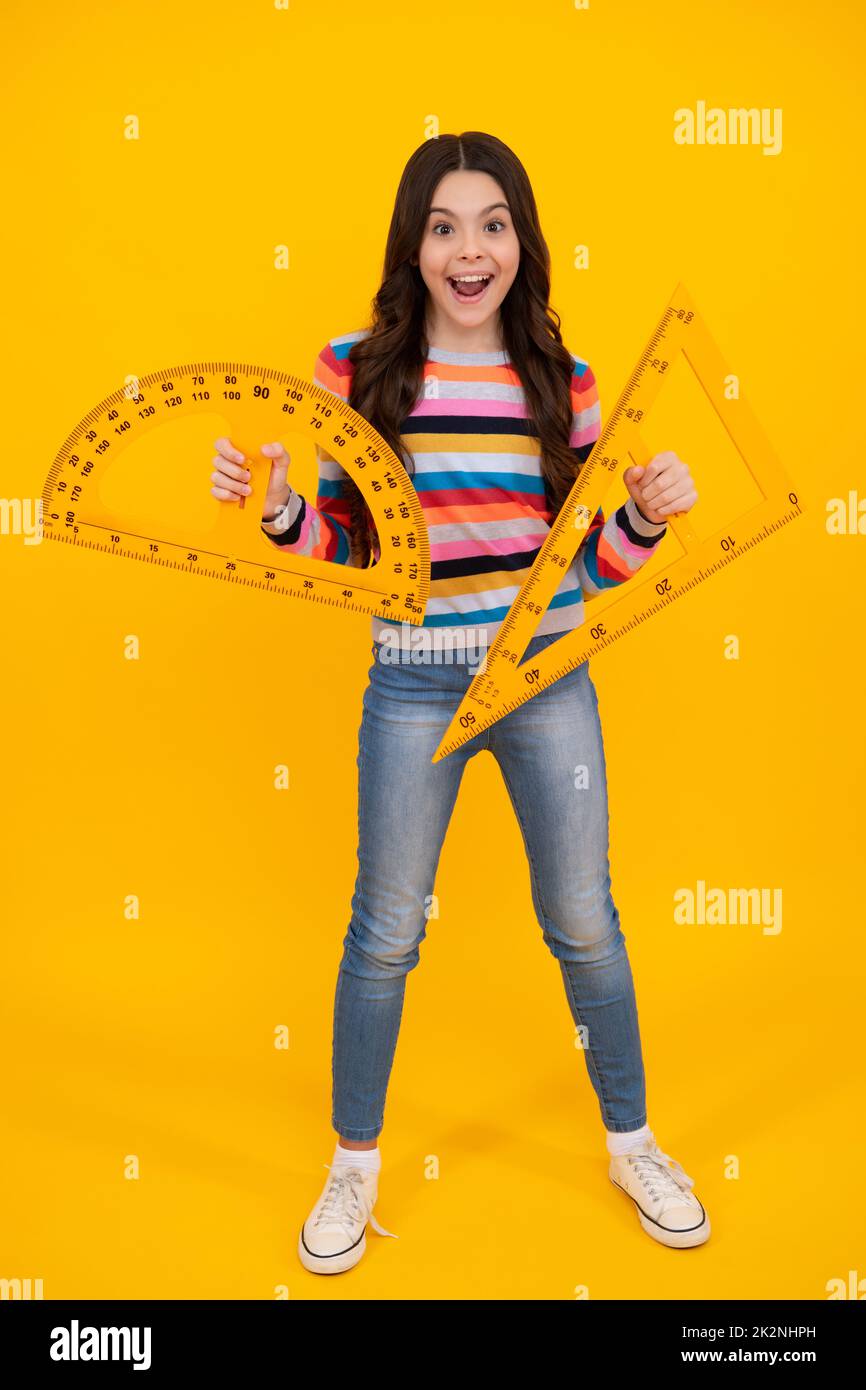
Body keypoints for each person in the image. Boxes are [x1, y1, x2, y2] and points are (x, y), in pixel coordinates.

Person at [209, 132, 706, 1276]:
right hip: (412, 678)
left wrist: (647, 516)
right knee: (384, 930)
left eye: (491, 224)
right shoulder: (354, 370)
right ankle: (355, 1163)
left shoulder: (562, 382)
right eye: (443, 226)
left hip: (543, 679)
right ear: (413, 244)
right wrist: (281, 509)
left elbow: (583, 563)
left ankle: (632, 1143)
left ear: (520, 242)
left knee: (581, 920)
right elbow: (345, 546)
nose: (468, 248)